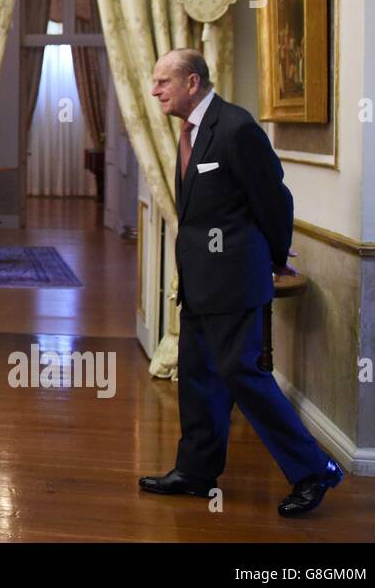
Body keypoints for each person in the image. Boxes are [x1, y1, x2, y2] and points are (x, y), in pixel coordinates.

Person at [139, 49, 343, 517]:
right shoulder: (191, 131)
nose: (155, 91)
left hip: (234, 280)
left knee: (243, 376)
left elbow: (275, 199)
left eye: (163, 82)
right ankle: (195, 471)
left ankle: (314, 471)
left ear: (193, 82)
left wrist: (275, 257)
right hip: (199, 282)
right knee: (198, 377)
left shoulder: (236, 128)